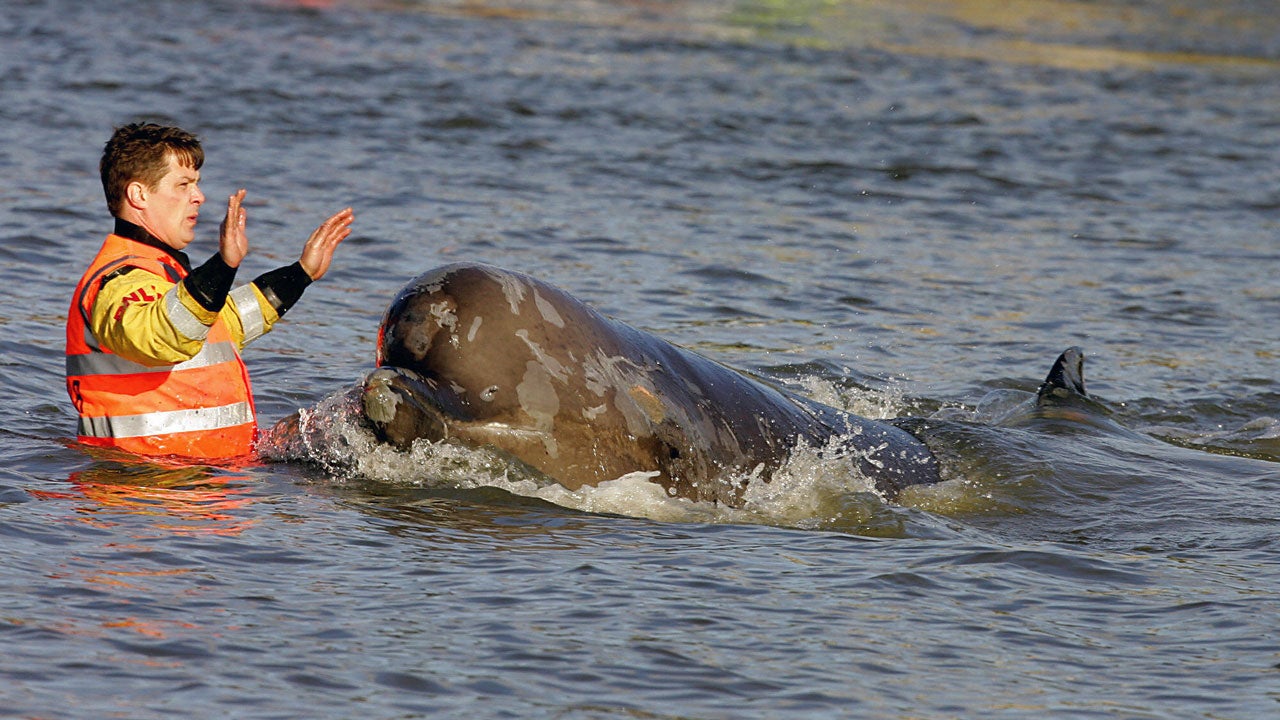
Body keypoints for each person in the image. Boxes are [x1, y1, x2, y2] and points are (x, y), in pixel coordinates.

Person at [66, 122, 354, 461]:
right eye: (184, 185)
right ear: (138, 195)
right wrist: (223, 265)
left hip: (197, 485)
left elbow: (222, 325)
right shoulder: (117, 278)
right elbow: (164, 335)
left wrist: (300, 274)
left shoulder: (163, 271)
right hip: (142, 491)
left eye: (197, 184)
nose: (199, 197)